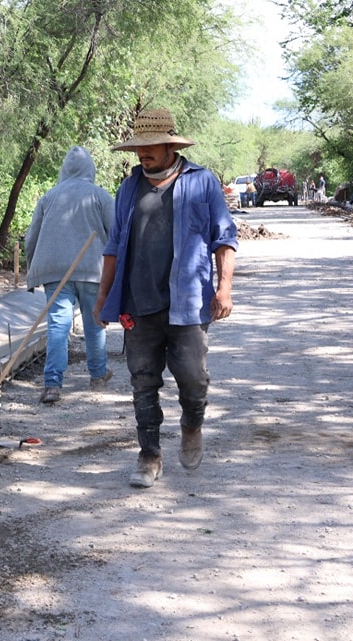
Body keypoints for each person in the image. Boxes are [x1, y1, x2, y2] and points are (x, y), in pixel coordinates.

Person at [94, 108, 238, 488]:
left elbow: (224, 238)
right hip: (139, 304)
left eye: (150, 147)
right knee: (143, 382)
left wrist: (224, 288)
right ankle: (149, 456)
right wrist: (103, 296)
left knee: (193, 378)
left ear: (169, 145)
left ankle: (192, 423)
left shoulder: (202, 182)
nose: (142, 154)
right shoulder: (128, 188)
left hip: (188, 303)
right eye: (138, 148)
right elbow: (114, 246)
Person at [24, 145, 114, 404]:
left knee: (58, 327)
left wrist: (32, 270)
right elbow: (118, 234)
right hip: (93, 270)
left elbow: (32, 238)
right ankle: (97, 375)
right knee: (95, 323)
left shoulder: (49, 197)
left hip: (55, 273)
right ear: (91, 169)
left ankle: (52, 385)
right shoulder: (100, 196)